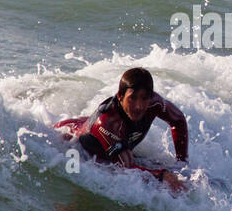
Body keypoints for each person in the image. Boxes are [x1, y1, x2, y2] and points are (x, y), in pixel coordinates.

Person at [54, 67, 190, 193]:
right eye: (132, 98)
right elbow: (126, 169)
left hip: (112, 143)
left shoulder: (155, 103)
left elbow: (178, 120)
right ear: (120, 96)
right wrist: (162, 175)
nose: (139, 106)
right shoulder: (108, 123)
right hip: (72, 140)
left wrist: (181, 162)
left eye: (144, 98)